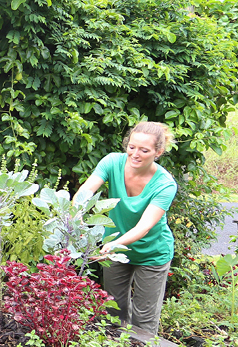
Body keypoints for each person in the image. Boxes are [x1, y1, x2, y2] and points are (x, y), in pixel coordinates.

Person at [76, 121, 177, 334]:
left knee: (143, 322)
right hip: (115, 249)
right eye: (132, 147)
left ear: (158, 152)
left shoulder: (165, 184)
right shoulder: (112, 162)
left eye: (144, 150)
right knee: (113, 313)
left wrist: (113, 244)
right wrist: (74, 213)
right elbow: (86, 191)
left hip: (152, 253)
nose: (135, 154)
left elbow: (144, 228)